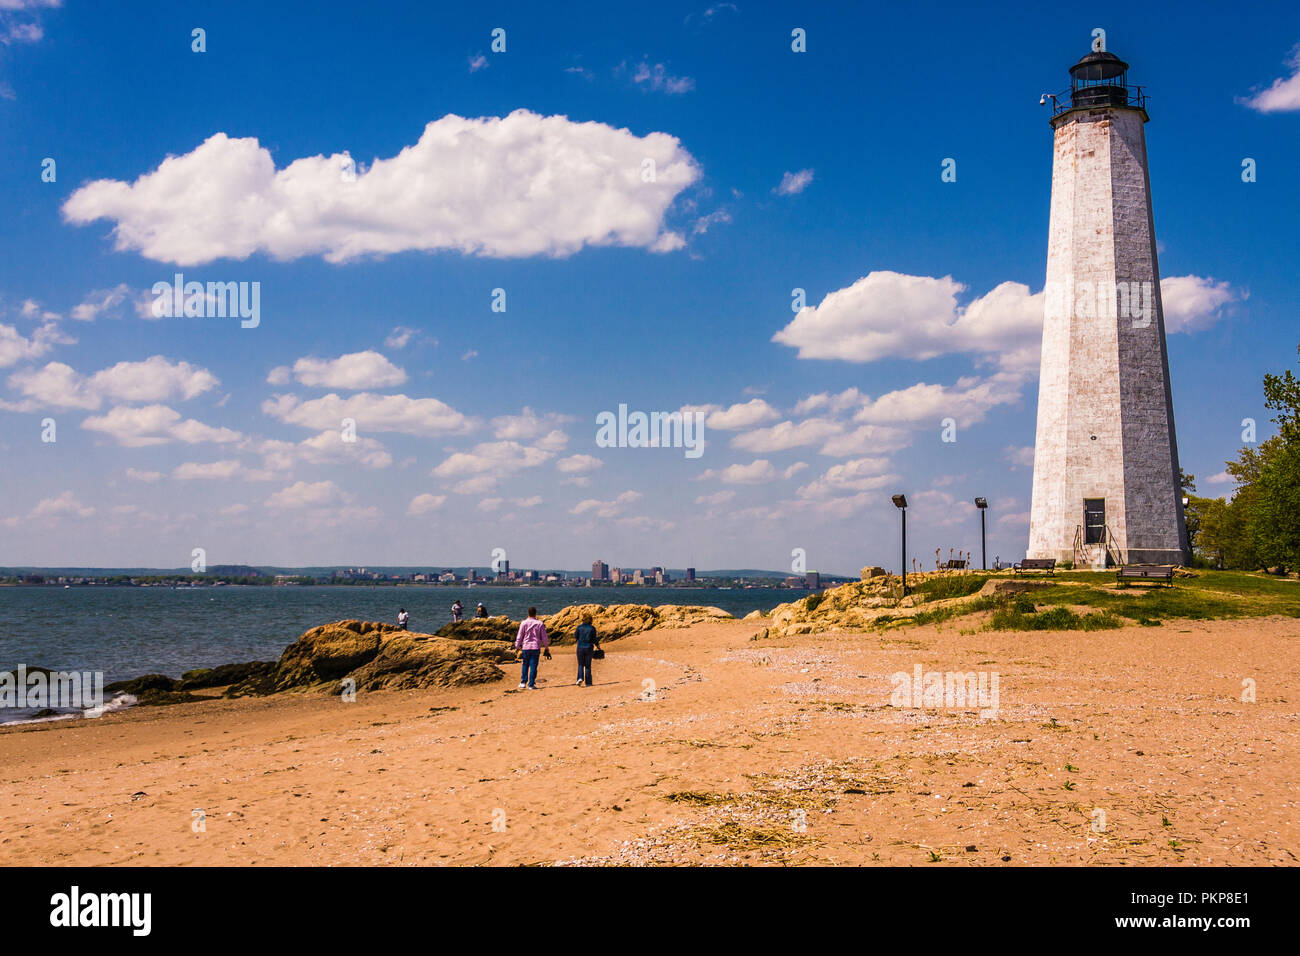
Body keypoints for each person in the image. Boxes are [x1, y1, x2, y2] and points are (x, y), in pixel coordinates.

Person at [514, 607, 550, 690]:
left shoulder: (523, 623)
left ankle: (523, 682)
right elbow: (544, 637)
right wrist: (546, 647)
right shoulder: (540, 623)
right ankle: (531, 684)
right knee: (533, 665)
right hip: (535, 647)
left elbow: (520, 636)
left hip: (526, 647)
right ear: (535, 613)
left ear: (528, 613)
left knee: (525, 664)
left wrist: (517, 646)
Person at [574, 612, 600, 687]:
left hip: (580, 647)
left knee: (580, 664)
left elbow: (576, 636)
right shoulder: (592, 628)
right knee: (588, 665)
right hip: (589, 647)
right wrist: (598, 646)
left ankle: (580, 678)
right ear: (590, 620)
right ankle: (588, 682)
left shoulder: (579, 627)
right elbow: (594, 638)